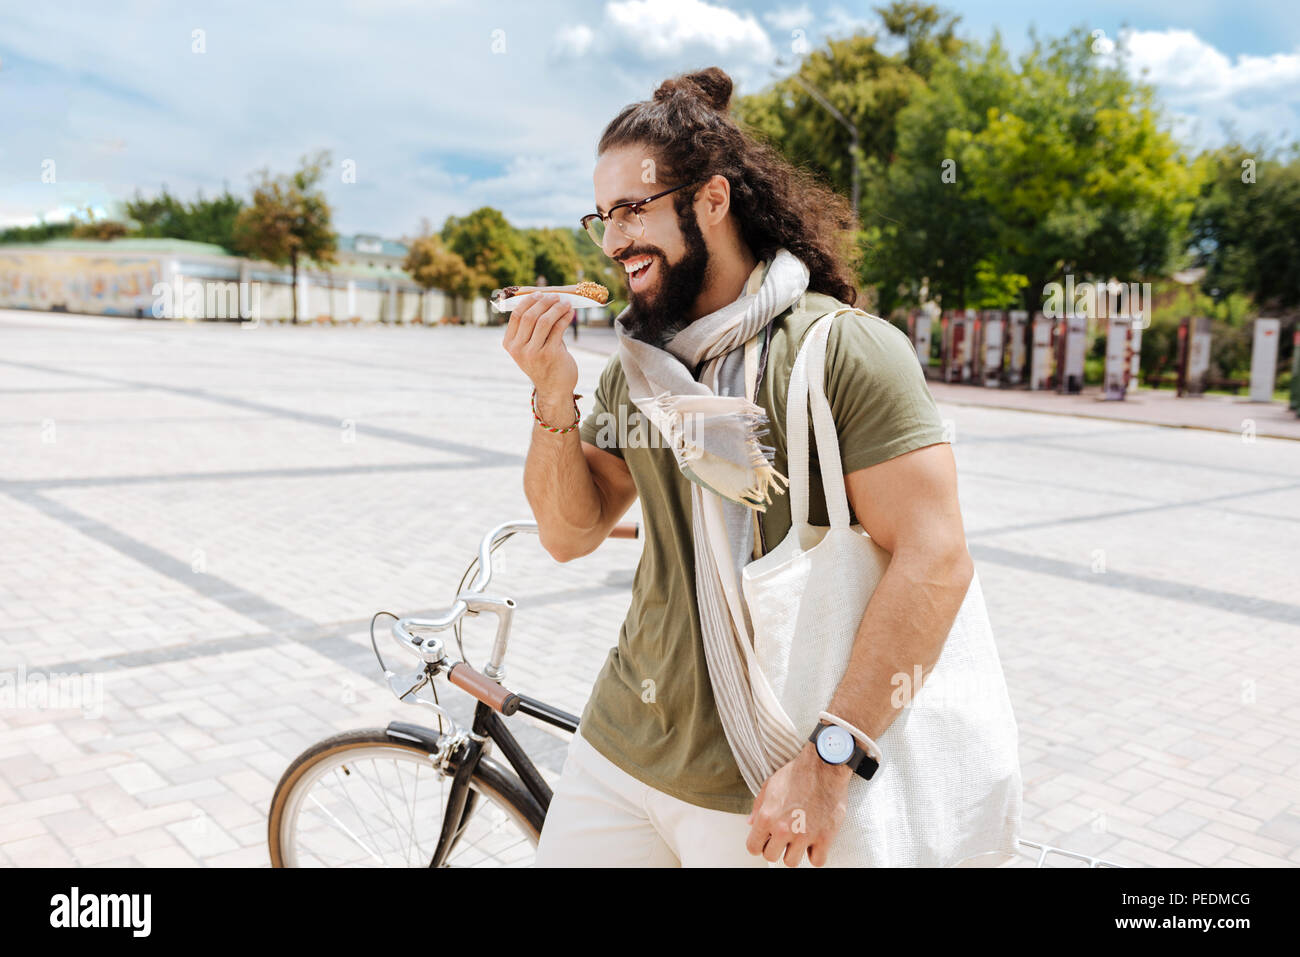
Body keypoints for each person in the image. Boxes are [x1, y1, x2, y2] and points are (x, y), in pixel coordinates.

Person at [503, 67, 973, 867]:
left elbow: (937, 559)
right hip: (621, 744)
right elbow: (568, 532)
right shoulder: (635, 370)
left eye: (632, 209)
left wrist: (830, 763)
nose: (613, 241)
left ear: (712, 201)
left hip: (766, 774)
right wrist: (553, 396)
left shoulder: (846, 351)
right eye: (601, 218)